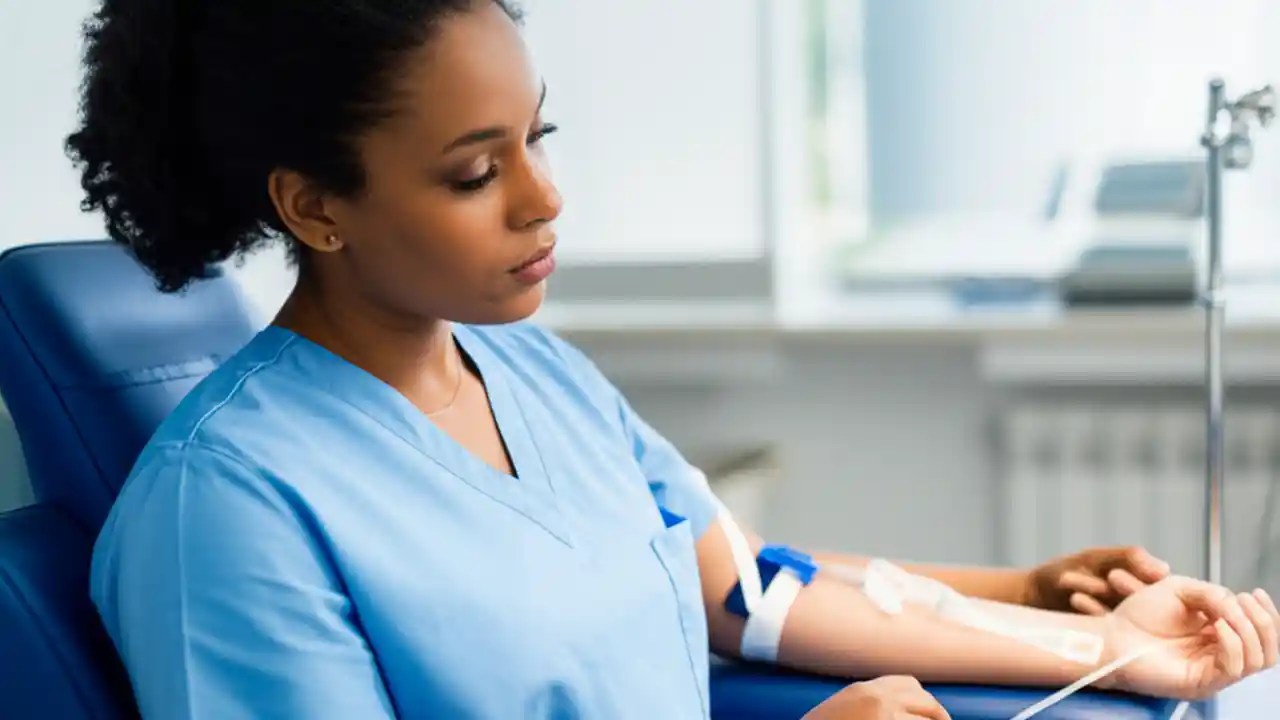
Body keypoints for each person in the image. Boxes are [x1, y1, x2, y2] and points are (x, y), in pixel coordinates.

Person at [67, 1, 1278, 718]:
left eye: (537, 137)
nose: (544, 197)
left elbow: (746, 592)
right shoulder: (225, 509)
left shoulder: (537, 378)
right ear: (315, 204)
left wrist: (1077, 630)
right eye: (475, 172)